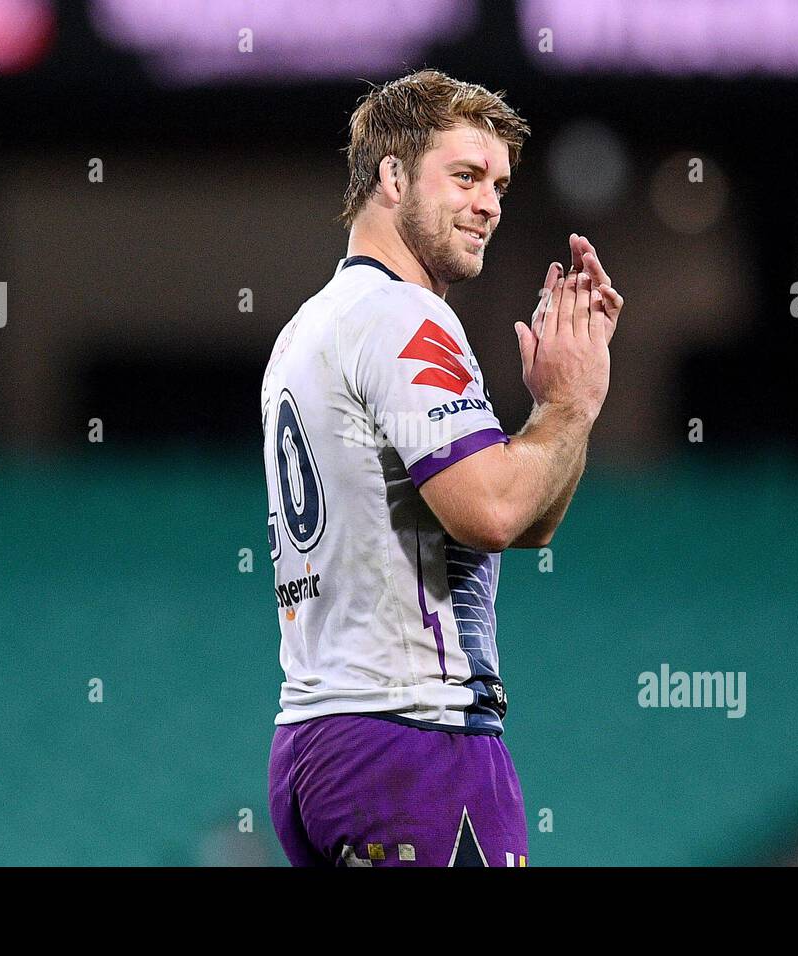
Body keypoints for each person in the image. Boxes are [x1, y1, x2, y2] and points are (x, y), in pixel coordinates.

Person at [260, 69, 624, 866]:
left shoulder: (307, 328)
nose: (490, 203)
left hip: (318, 740)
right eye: (464, 176)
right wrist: (569, 408)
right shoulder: (404, 315)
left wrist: (564, 412)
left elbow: (526, 524)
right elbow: (492, 513)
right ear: (392, 177)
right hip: (416, 741)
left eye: (497, 183)